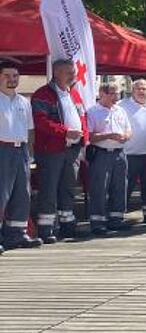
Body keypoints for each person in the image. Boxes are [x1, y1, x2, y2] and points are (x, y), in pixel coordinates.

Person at [32, 58, 88, 241]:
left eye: (73, 72)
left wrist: (84, 138)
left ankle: (67, 226)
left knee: (68, 188)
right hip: (51, 150)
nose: (73, 75)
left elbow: (83, 117)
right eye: (68, 72)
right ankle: (46, 229)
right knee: (49, 189)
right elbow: (41, 122)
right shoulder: (42, 94)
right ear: (56, 73)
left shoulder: (75, 94)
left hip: (72, 150)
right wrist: (65, 133)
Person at [0, 59, 41, 250]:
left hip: (21, 150)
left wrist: (30, 155)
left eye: (15, 76)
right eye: (7, 76)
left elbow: (30, 130)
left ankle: (17, 234)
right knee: (2, 193)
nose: (12, 80)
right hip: (2, 148)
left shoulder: (24, 101)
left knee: (22, 193)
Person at [86, 82, 132, 234]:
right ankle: (97, 222)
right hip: (101, 152)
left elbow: (128, 130)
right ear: (102, 93)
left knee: (119, 186)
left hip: (119, 153)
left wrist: (125, 136)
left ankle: (116, 219)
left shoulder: (120, 110)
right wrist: (110, 135)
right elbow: (90, 136)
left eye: (118, 94)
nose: (116, 97)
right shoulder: (92, 111)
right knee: (99, 187)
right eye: (112, 93)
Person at [120, 79, 146, 225]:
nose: (142, 91)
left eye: (145, 89)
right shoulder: (122, 106)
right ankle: (118, 215)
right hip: (129, 154)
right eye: (139, 88)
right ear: (133, 90)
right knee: (125, 186)